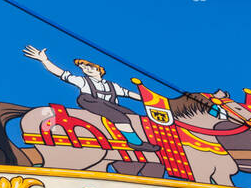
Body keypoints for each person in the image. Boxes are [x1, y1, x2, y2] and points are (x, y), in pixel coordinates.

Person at [22, 45, 157, 151]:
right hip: (90, 102)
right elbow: (61, 73)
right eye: (83, 68)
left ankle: (141, 138)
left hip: (109, 105)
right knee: (119, 117)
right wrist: (44, 60)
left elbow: (129, 94)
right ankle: (135, 143)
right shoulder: (83, 81)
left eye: (89, 67)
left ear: (99, 69)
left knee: (131, 114)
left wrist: (149, 100)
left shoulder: (112, 85)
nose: (86, 69)